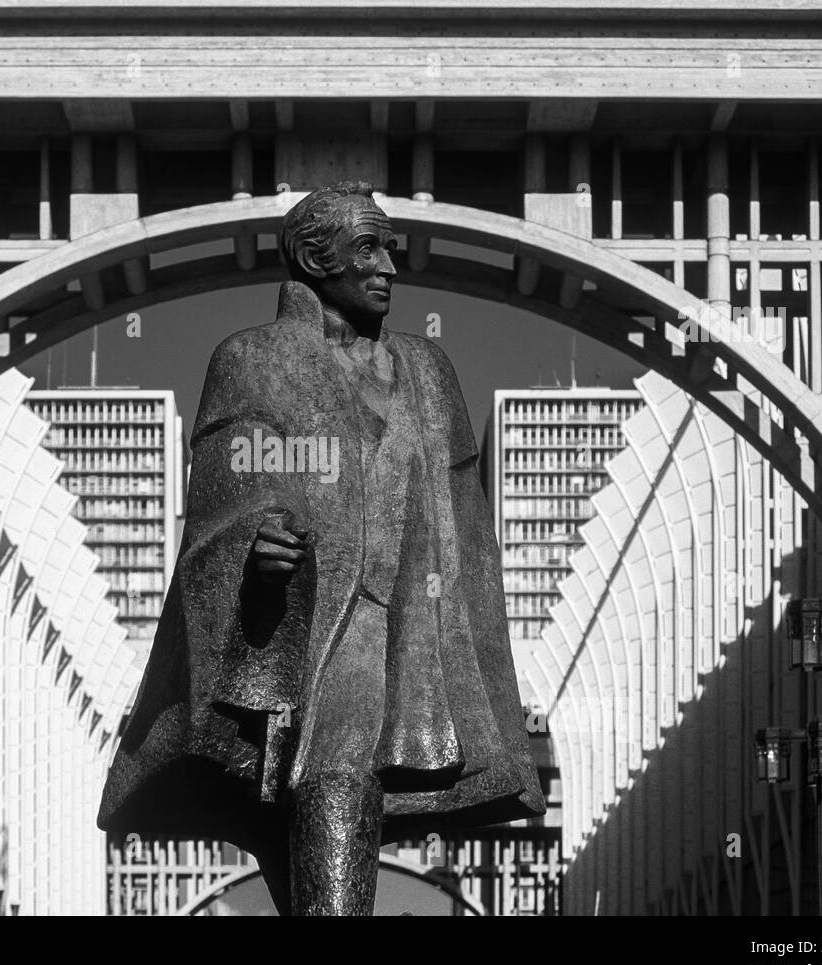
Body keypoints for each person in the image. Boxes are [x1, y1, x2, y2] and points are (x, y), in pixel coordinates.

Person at [98, 180, 543, 915]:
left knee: (324, 804)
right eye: (368, 247)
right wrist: (254, 548)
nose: (390, 267)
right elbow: (219, 501)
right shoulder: (250, 358)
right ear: (313, 256)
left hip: (405, 631)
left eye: (390, 249)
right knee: (329, 781)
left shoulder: (428, 372)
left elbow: (465, 529)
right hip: (304, 629)